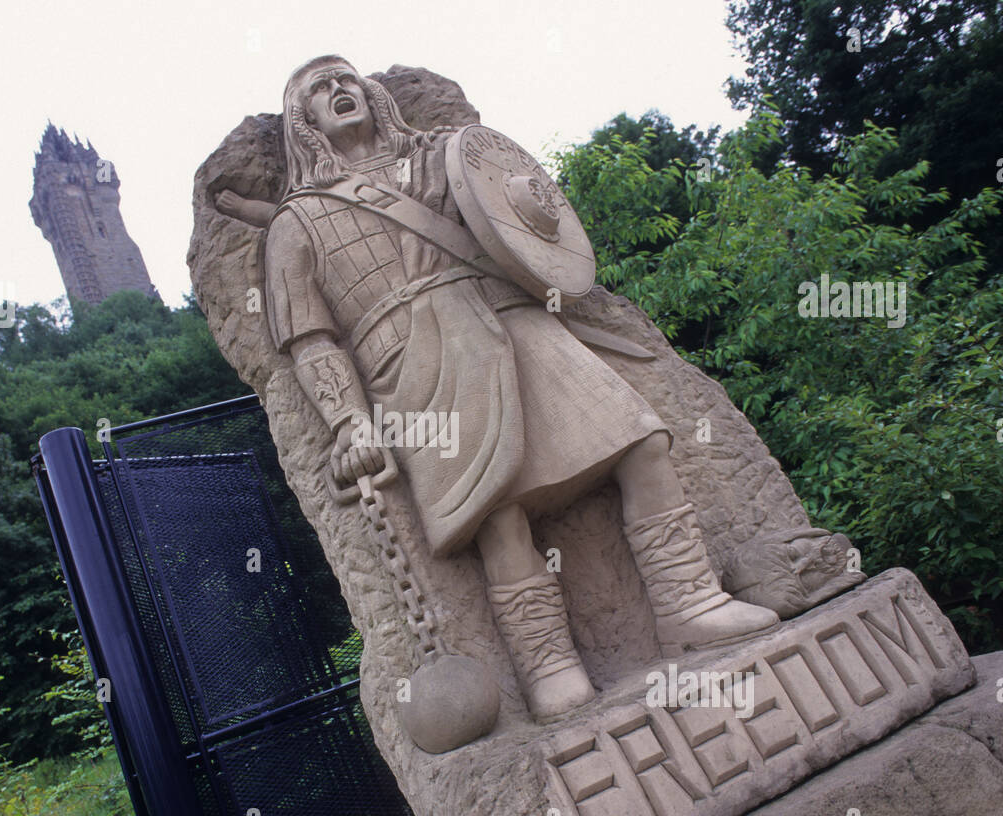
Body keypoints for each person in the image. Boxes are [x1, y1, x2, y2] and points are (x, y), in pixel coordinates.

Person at [253, 55, 778, 720]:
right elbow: (311, 340)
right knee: (496, 515)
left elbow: (525, 217)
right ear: (304, 124)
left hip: (513, 320)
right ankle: (549, 667)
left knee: (641, 441)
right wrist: (350, 424)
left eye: (346, 80)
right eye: (320, 91)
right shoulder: (295, 225)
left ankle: (691, 604)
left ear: (372, 94)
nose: (339, 92)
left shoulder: (442, 157)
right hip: (413, 365)